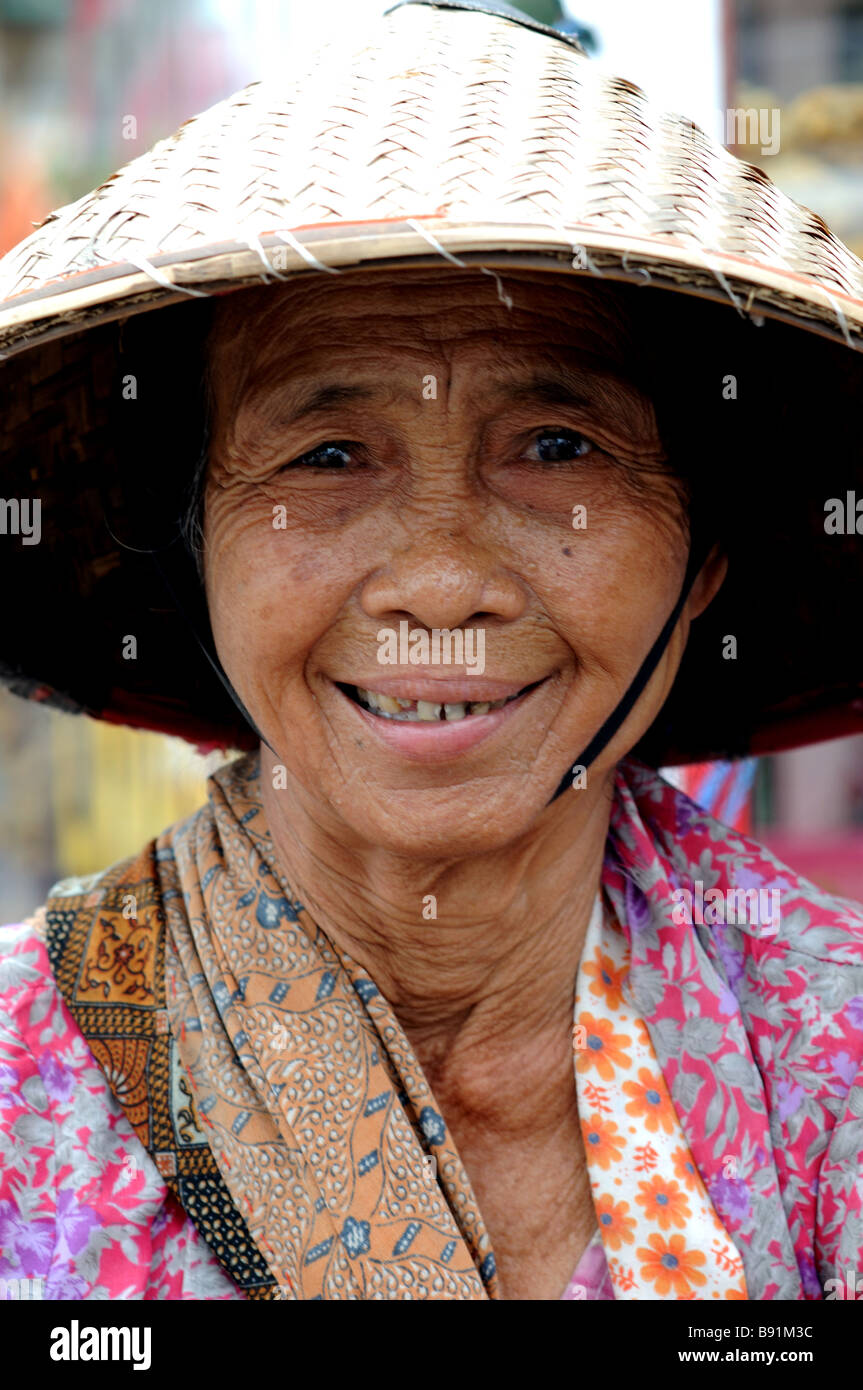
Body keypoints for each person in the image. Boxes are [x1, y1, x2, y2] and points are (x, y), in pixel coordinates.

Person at [1, 0, 863, 1302]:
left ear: (706, 553)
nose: (441, 584)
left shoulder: (835, 1072)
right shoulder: (22, 1087)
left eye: (557, 447)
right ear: (193, 547)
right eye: (328, 457)